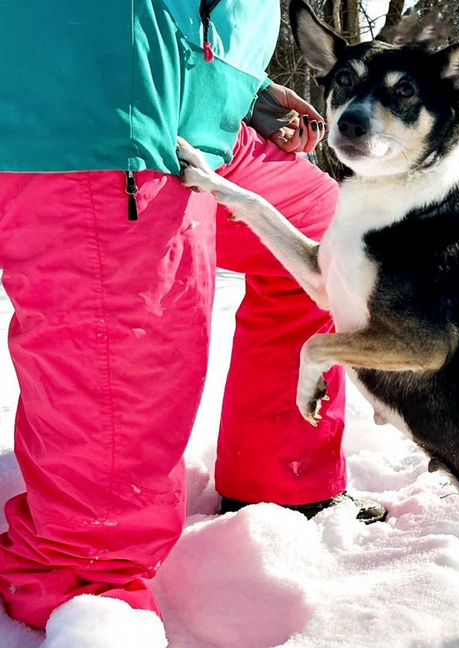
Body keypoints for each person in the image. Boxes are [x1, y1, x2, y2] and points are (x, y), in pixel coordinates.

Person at [0, 1, 384, 644]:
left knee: (331, 243)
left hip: (191, 111)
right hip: (85, 103)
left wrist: (234, 85)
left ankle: (281, 477)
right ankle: (82, 595)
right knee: (133, 347)